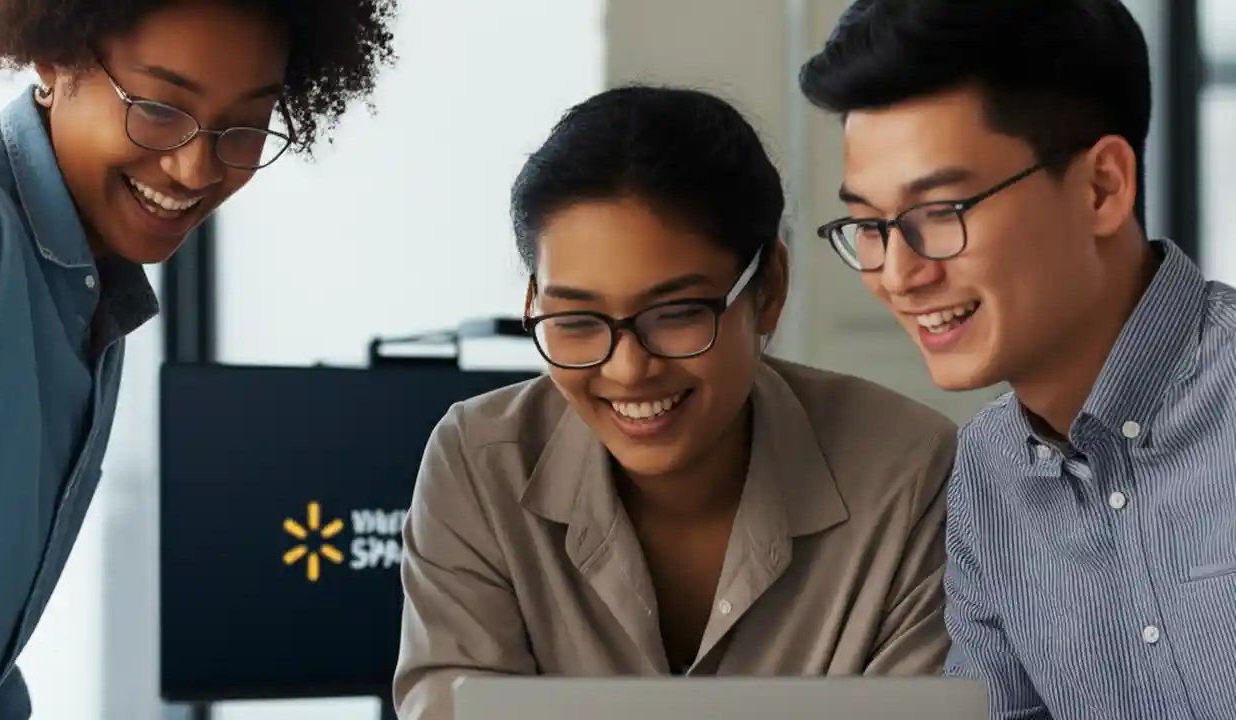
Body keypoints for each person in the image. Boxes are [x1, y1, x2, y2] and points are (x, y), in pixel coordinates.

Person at [392, 85, 958, 720]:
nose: (629, 369)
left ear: (768, 288)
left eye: (677, 314)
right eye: (576, 320)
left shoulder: (909, 472)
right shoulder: (479, 462)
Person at [0, 1, 396, 717]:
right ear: (51, 58)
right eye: (158, 107)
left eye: (245, 127)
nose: (196, 167)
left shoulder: (91, 288)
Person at [800, 0, 1236, 718]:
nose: (898, 274)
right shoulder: (987, 473)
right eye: (869, 225)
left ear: (1102, 187)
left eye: (941, 211)